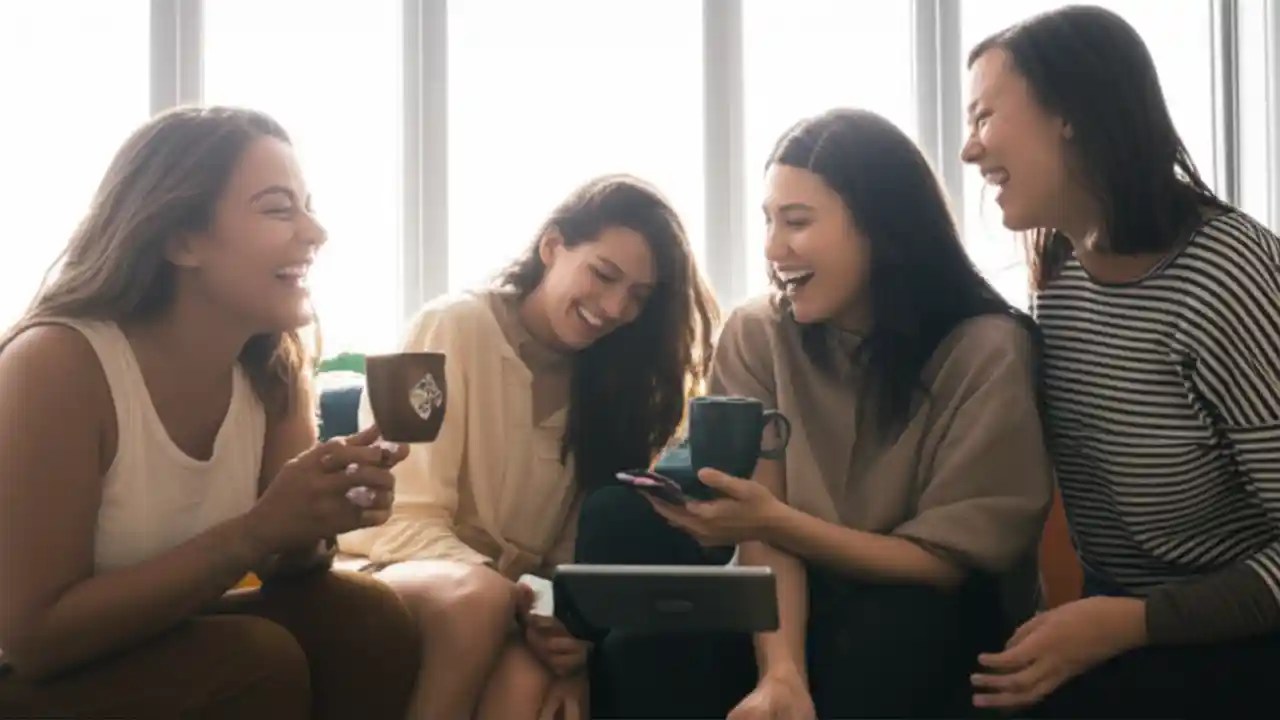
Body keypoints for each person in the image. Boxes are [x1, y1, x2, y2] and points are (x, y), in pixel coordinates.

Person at [579, 109, 1055, 719]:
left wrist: (775, 520)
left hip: (930, 605)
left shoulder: (985, 348)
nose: (775, 249)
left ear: (880, 229)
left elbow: (942, 567)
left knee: (891, 633)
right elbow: (763, 532)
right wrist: (781, 675)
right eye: (769, 222)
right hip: (793, 592)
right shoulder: (758, 333)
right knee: (645, 648)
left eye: (797, 222)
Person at [0, 106, 421, 719]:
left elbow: (283, 562)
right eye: (279, 209)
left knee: (363, 619)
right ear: (180, 238)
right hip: (23, 675)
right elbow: (32, 638)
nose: (316, 232)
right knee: (253, 660)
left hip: (152, 645)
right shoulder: (58, 363)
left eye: (307, 205)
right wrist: (255, 530)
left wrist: (311, 525)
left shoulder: (270, 369)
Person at [961, 6, 1280, 717]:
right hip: (1116, 622)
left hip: (1237, 633)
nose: (968, 151)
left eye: (984, 117)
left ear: (1069, 112)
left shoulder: (1228, 276)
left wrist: (1132, 624)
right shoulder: (1061, 263)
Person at [336, 174, 719, 720]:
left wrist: (568, 640)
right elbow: (403, 518)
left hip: (506, 605)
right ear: (552, 247)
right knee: (479, 600)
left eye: (638, 297)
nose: (614, 308)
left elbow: (566, 557)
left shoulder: (613, 386)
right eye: (603, 275)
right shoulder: (454, 326)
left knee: (533, 684)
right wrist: (522, 602)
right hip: (400, 569)